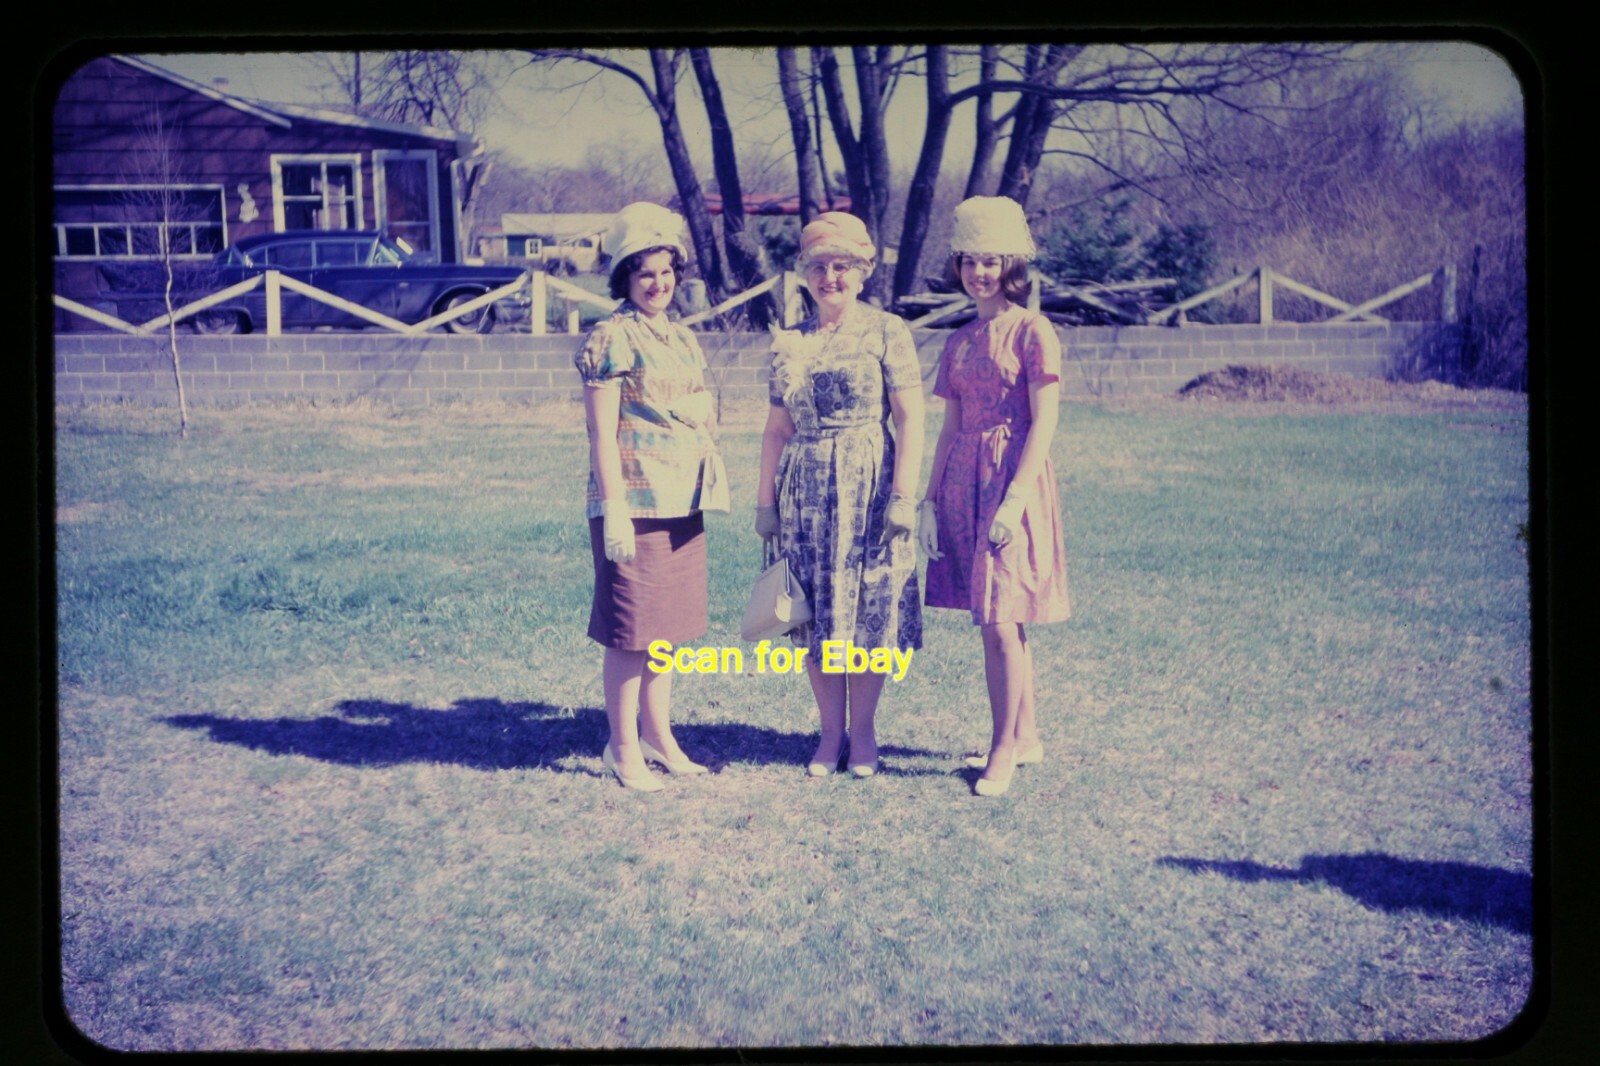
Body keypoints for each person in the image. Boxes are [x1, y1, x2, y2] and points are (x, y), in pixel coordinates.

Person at [755, 212, 925, 778]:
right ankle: (829, 734)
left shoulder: (886, 331)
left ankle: (866, 732)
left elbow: (911, 417)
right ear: (805, 274)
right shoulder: (790, 342)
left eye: (842, 267)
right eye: (820, 267)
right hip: (805, 490)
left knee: (868, 611)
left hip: (869, 486)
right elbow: (777, 430)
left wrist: (903, 497)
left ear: (862, 271)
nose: (831, 277)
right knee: (819, 613)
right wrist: (765, 506)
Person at [575, 202, 728, 792]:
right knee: (632, 631)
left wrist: (699, 411)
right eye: (644, 274)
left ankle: (657, 736)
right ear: (625, 278)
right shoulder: (611, 337)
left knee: (666, 630)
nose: (657, 284)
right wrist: (613, 507)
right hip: (633, 506)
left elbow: (694, 404)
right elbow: (600, 431)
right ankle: (621, 747)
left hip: (681, 501)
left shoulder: (682, 338)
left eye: (666, 272)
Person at [920, 196, 1070, 797]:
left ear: (1011, 265)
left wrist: (1014, 501)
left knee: (1002, 621)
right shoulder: (958, 342)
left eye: (991, 261)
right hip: (962, 485)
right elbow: (951, 428)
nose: (979, 273)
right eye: (969, 261)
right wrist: (928, 501)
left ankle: (1002, 746)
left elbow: (1045, 422)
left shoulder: (1035, 331)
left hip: (1014, 486)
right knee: (993, 612)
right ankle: (1027, 732)